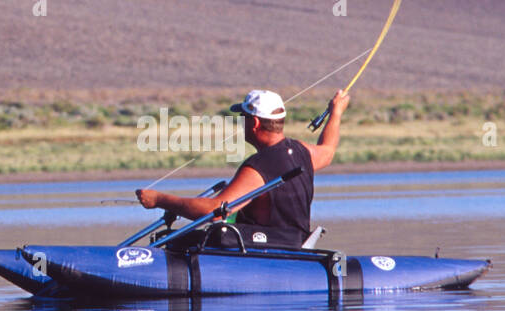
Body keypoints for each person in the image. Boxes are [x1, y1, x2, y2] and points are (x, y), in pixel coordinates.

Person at [136, 88, 349, 249]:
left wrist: (160, 200)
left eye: (243, 118)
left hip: (270, 249)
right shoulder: (301, 151)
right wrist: (336, 113)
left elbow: (214, 211)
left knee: (186, 239)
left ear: (255, 123)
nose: (242, 123)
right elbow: (328, 150)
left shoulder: (259, 166)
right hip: (295, 242)